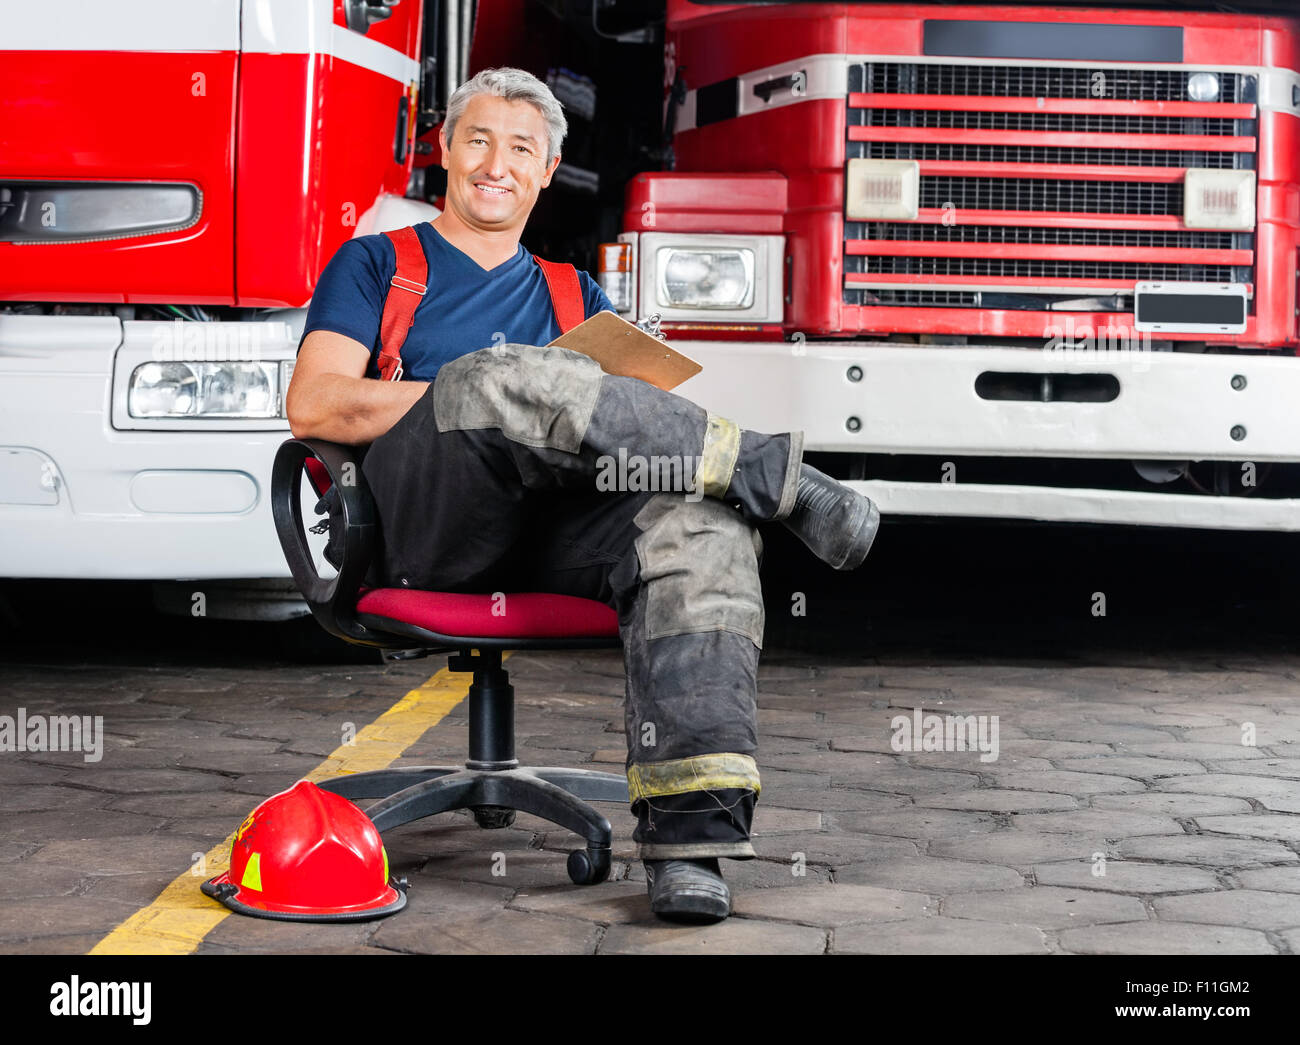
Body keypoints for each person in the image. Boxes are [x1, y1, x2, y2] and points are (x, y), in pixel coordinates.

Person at [286, 67, 879, 924]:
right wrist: (482, 390)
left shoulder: (576, 294)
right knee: (497, 378)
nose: (497, 163)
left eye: (520, 149)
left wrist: (544, 398)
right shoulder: (378, 262)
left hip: (547, 536)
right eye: (478, 139)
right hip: (423, 527)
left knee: (698, 525)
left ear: (547, 168)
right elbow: (314, 403)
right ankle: (781, 478)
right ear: (445, 149)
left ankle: (690, 843)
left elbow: (617, 436)